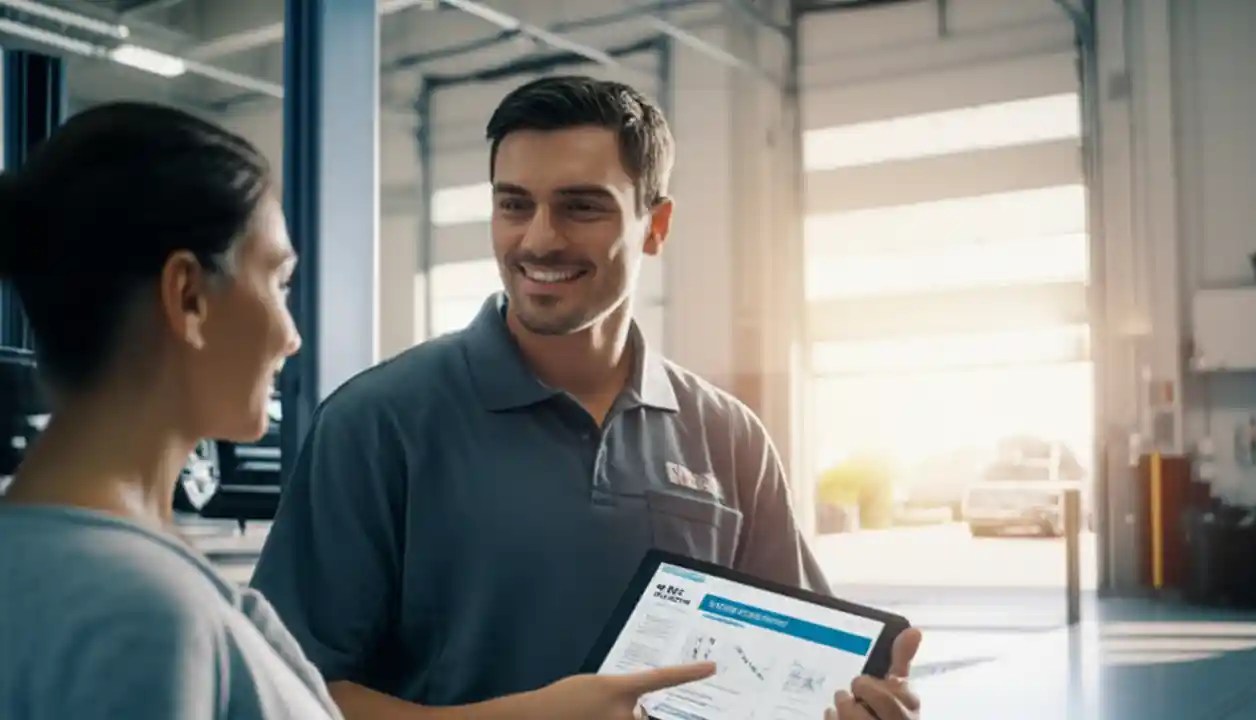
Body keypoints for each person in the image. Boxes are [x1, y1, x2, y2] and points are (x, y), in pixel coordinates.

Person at [251, 75, 922, 720]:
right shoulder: (376, 424)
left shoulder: (729, 437)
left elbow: (789, 673)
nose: (539, 238)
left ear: (655, 226)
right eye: (514, 204)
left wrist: (852, 706)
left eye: (581, 206)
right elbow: (284, 694)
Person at [0, 103, 339, 719]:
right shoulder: (140, 614)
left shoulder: (74, 571)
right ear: (188, 296)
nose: (291, 336)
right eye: (278, 281)